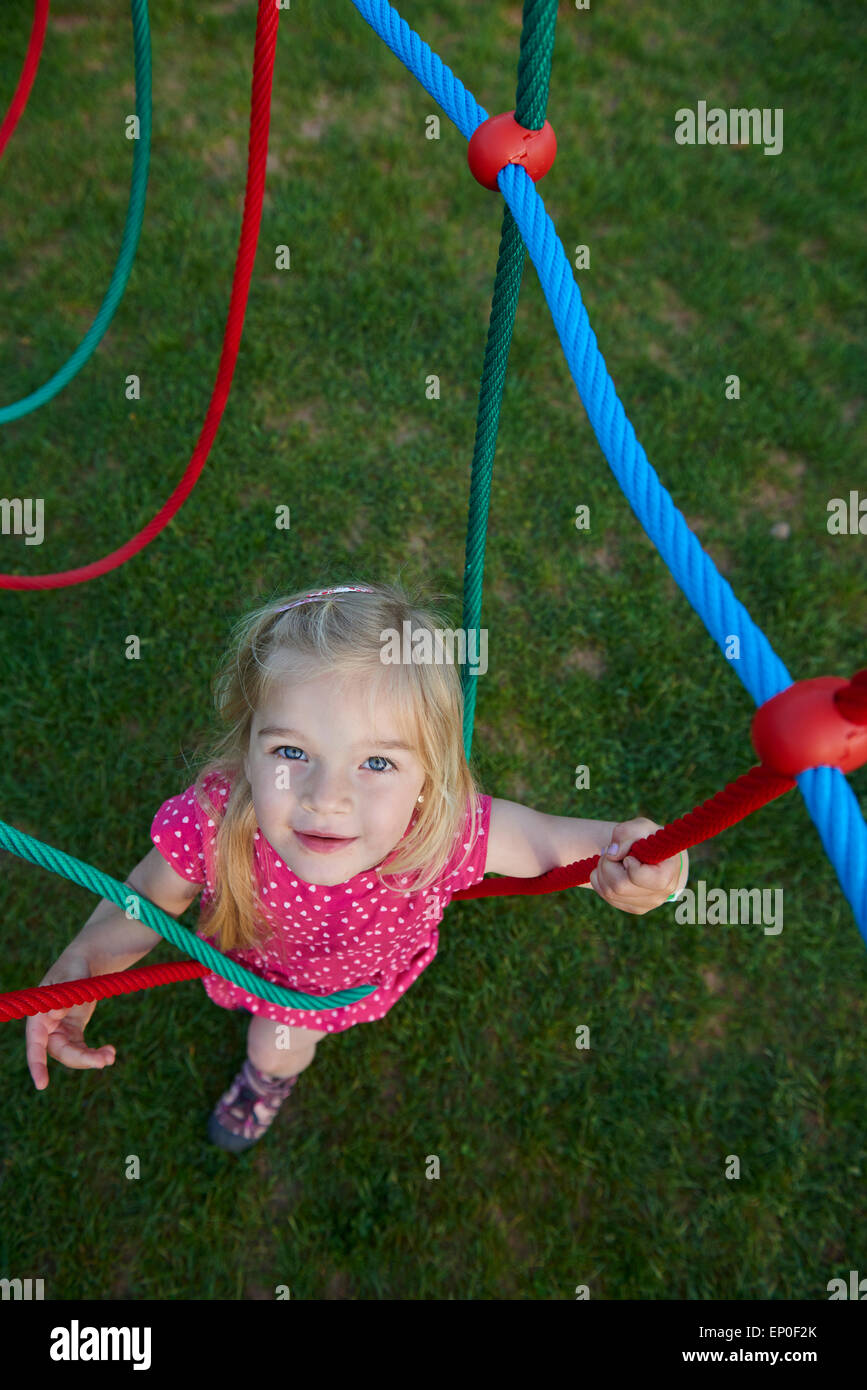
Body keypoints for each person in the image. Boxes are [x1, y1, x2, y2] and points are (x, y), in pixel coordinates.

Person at [25, 579, 687, 1153]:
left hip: (330, 987)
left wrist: (649, 860)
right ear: (247, 749)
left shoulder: (442, 828)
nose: (326, 798)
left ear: (428, 777)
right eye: (290, 751)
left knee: (277, 1043)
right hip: (249, 956)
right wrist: (88, 961)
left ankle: (264, 1084)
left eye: (376, 763)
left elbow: (559, 843)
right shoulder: (217, 816)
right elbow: (146, 896)